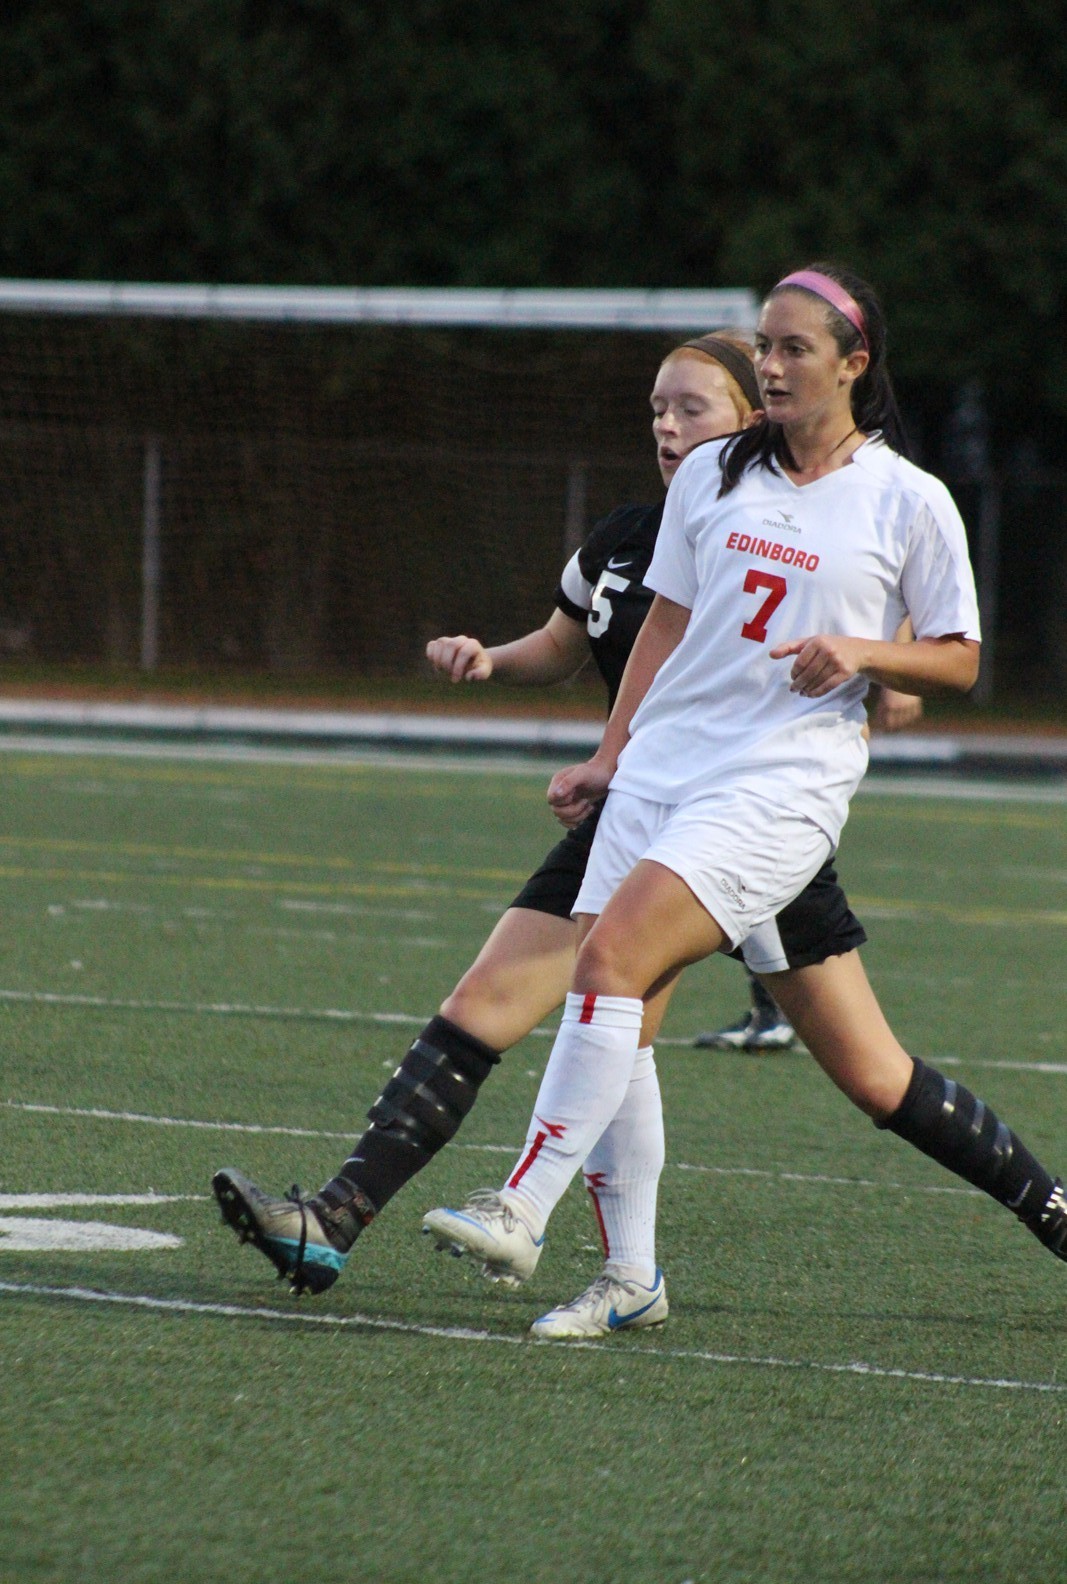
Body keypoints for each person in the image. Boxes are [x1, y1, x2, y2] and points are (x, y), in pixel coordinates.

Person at [424, 262, 1067, 1339]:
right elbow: (663, 628)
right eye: (762, 345)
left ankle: (521, 1205)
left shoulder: (909, 500)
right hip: (663, 774)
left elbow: (955, 662)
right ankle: (630, 1276)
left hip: (775, 793)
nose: (767, 365)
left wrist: (860, 653)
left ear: (853, 364)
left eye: (792, 348)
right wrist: (607, 757)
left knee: (608, 964)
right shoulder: (714, 473)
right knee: (673, 1031)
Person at [211, 329, 768, 1292]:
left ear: (753, 420)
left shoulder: (776, 541)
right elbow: (560, 644)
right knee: (502, 1011)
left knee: (865, 1076)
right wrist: (489, 657)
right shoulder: (629, 536)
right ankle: (335, 1221)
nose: (668, 428)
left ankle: (579, 1247)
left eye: (693, 409)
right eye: (656, 411)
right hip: (625, 811)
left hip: (715, 825)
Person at [694, 672, 923, 1051]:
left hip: (791, 727)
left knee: (768, 864)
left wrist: (900, 680)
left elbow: (906, 616)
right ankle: (774, 1011)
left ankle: (777, 1012)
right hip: (741, 716)